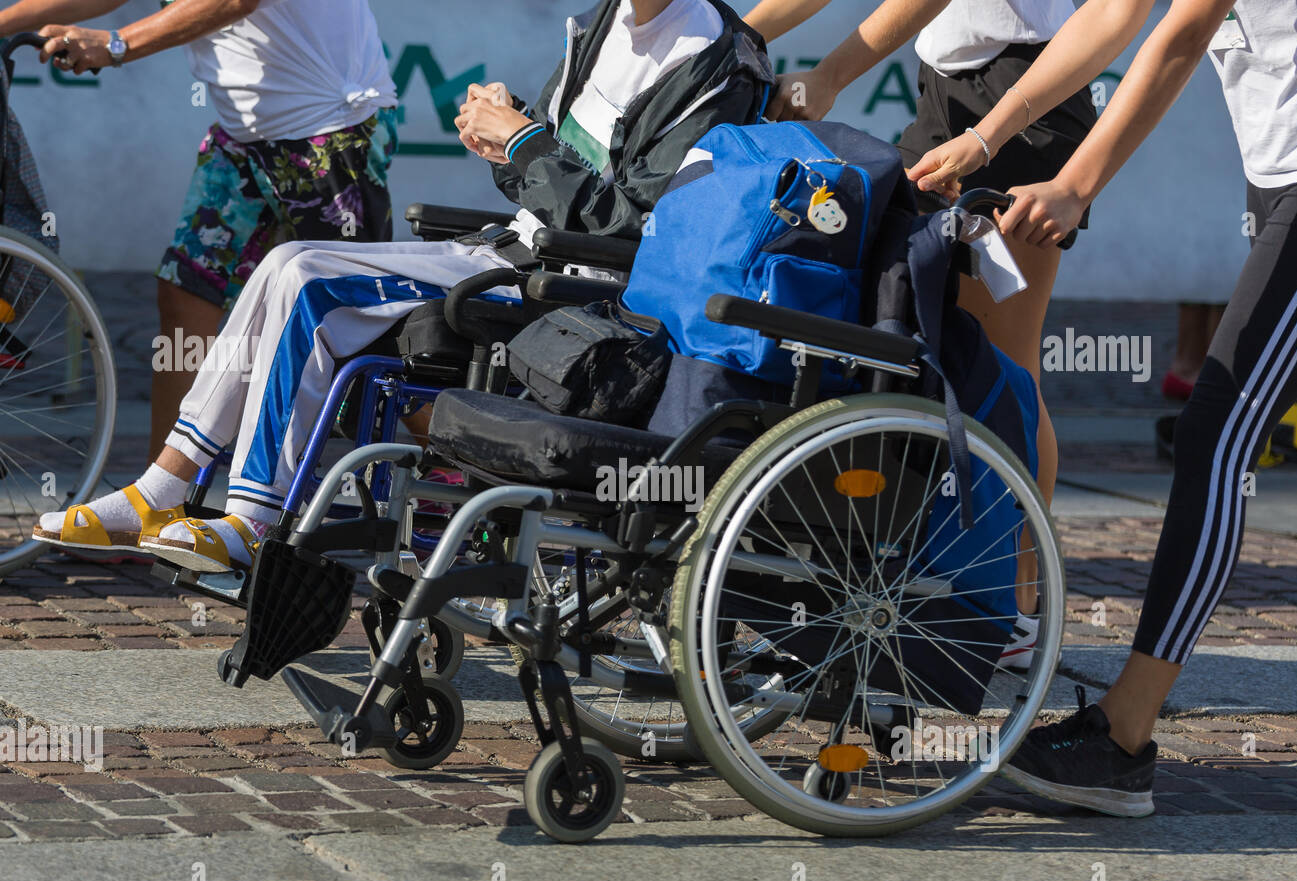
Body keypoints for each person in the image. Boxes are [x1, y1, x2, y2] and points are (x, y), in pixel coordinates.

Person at [32, 0, 772, 573]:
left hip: (575, 286)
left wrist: (520, 141)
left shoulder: (713, 57)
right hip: (513, 247)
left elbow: (631, 226)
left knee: (312, 282)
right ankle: (164, 488)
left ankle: (253, 519)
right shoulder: (605, 20)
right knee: (282, 269)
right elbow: (560, 165)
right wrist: (506, 134)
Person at [928, 0, 1297, 817]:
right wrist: (988, 138)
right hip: (1279, 173)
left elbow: (1175, 34)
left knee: (1218, 432)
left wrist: (1072, 183)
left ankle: (1123, 736)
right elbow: (1119, 14)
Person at [743, 0, 1149, 670]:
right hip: (947, 88)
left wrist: (832, 70)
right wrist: (748, 34)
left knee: (1004, 368)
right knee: (901, 341)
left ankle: (1017, 605)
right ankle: (897, 579)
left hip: (1027, 92)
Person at [0, 0, 401, 454]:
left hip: (329, 128)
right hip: (243, 137)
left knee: (364, 326)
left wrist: (116, 44)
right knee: (185, 295)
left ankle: (454, 467)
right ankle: (159, 498)